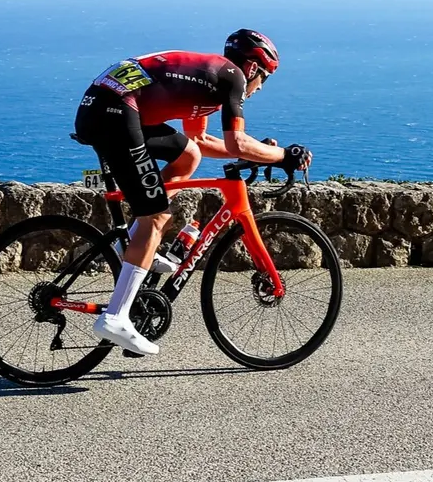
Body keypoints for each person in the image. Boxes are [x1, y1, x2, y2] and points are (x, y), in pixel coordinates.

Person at [73, 28, 309, 356]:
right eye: (265, 78)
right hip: (115, 111)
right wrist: (284, 155)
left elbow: (201, 142)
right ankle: (116, 316)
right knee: (158, 215)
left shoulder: (209, 79)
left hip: (106, 105)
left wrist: (257, 150)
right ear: (253, 68)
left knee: (187, 155)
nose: (259, 88)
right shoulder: (233, 79)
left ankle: (135, 239)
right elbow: (235, 143)